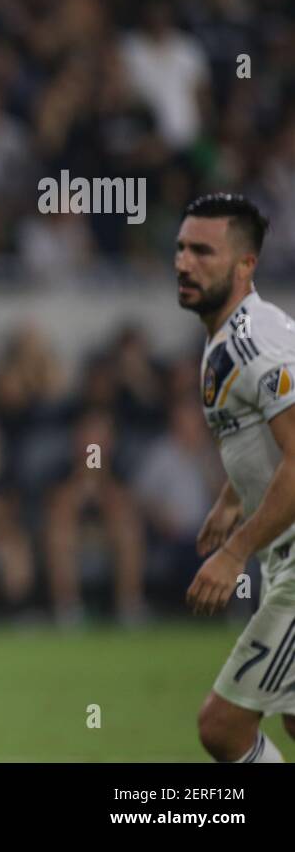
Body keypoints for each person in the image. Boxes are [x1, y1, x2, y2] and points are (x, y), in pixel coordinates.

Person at [176, 193, 295, 763]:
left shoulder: (254, 342)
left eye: (203, 251)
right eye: (180, 248)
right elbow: (265, 437)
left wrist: (234, 552)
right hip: (282, 558)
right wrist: (231, 498)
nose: (183, 263)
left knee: (221, 726)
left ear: (245, 264)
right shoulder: (224, 338)